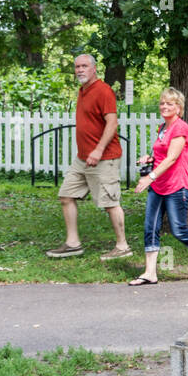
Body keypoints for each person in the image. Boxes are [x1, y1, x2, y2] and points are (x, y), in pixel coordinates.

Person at [47, 54, 131, 259]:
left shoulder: (103, 91)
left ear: (94, 69)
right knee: (66, 196)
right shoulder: (83, 91)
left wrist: (98, 150)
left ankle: (122, 247)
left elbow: (112, 123)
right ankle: (73, 243)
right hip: (82, 158)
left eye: (84, 66)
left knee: (110, 202)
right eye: (77, 67)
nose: (80, 70)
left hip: (104, 157)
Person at [129, 88, 188, 285]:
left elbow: (173, 157)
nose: (164, 106)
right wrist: (150, 159)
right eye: (162, 103)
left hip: (176, 186)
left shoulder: (181, 128)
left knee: (179, 229)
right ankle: (150, 273)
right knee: (151, 227)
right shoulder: (162, 128)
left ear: (179, 108)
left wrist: (149, 176)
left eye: (170, 104)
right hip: (158, 186)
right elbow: (162, 155)